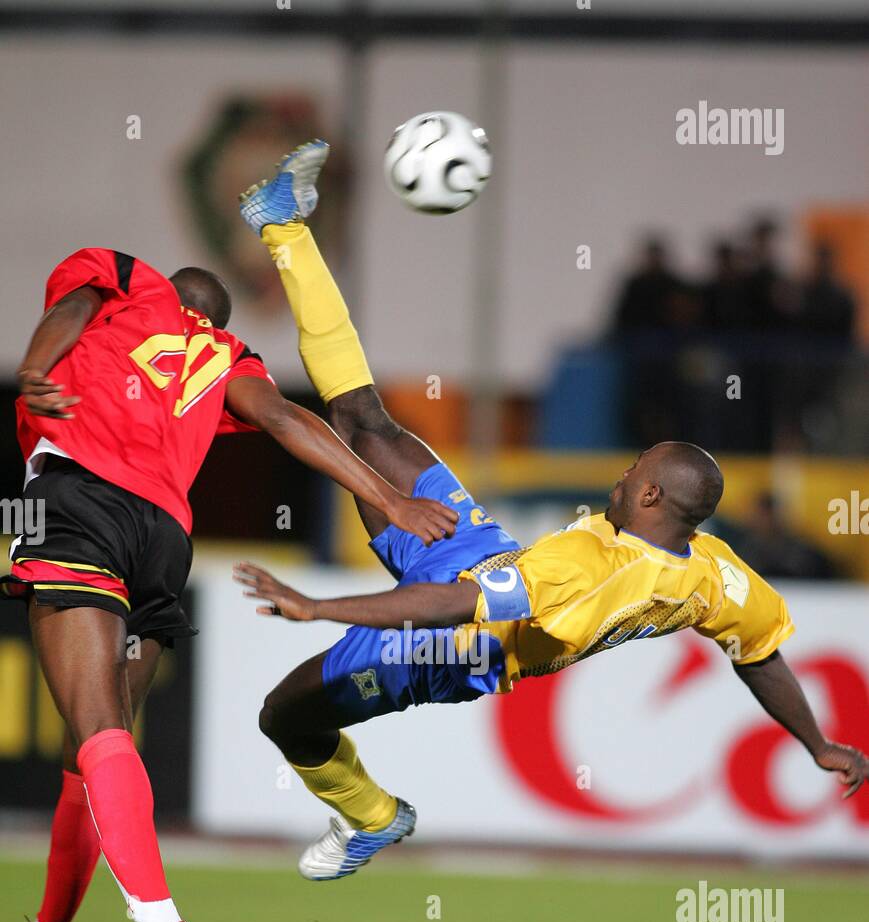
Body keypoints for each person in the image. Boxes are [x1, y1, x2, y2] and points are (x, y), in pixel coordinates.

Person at [232, 149, 869, 881]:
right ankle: (281, 223)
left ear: (654, 497)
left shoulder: (589, 570)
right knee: (362, 421)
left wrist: (316, 606)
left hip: (450, 649)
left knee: (282, 715)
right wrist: (816, 743)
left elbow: (447, 606)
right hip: (476, 547)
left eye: (636, 471)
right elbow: (760, 655)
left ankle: (374, 815)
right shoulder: (717, 574)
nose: (623, 472)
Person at [4, 141, 457, 922]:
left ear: (167, 294)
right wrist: (391, 500)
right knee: (95, 752)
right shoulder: (227, 359)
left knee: (92, 733)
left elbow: (75, 299)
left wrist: (36, 365)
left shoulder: (130, 284)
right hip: (161, 540)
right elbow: (291, 419)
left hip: (74, 498)